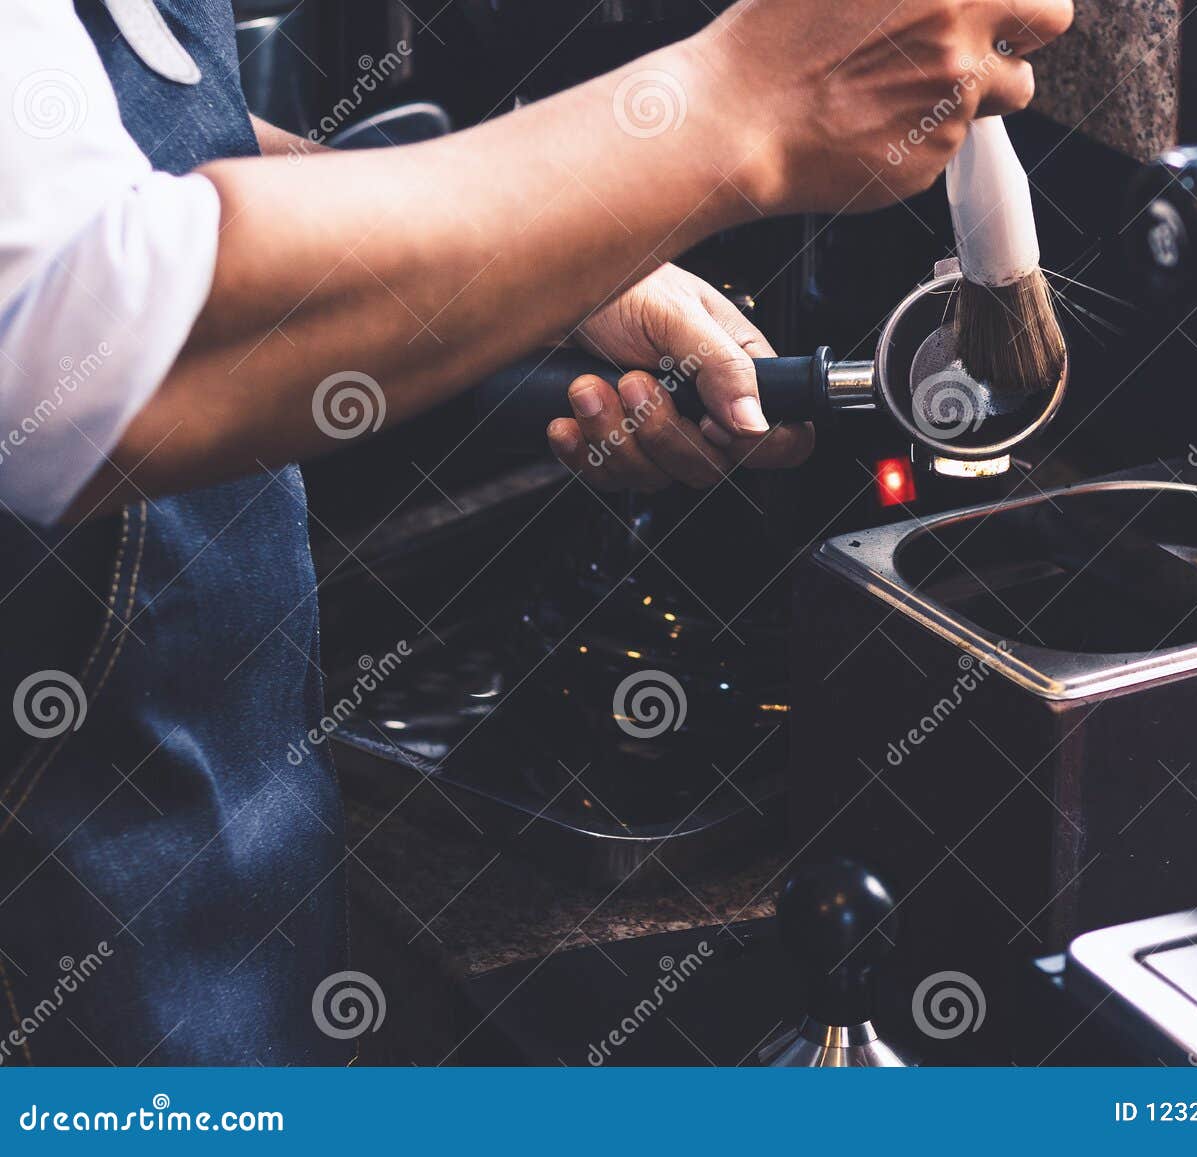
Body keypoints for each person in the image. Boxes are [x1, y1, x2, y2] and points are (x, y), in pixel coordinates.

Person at [0, 0, 1073, 1064]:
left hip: (210, 848)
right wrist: (743, 105)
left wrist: (569, 257)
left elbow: (157, 160)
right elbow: (74, 332)